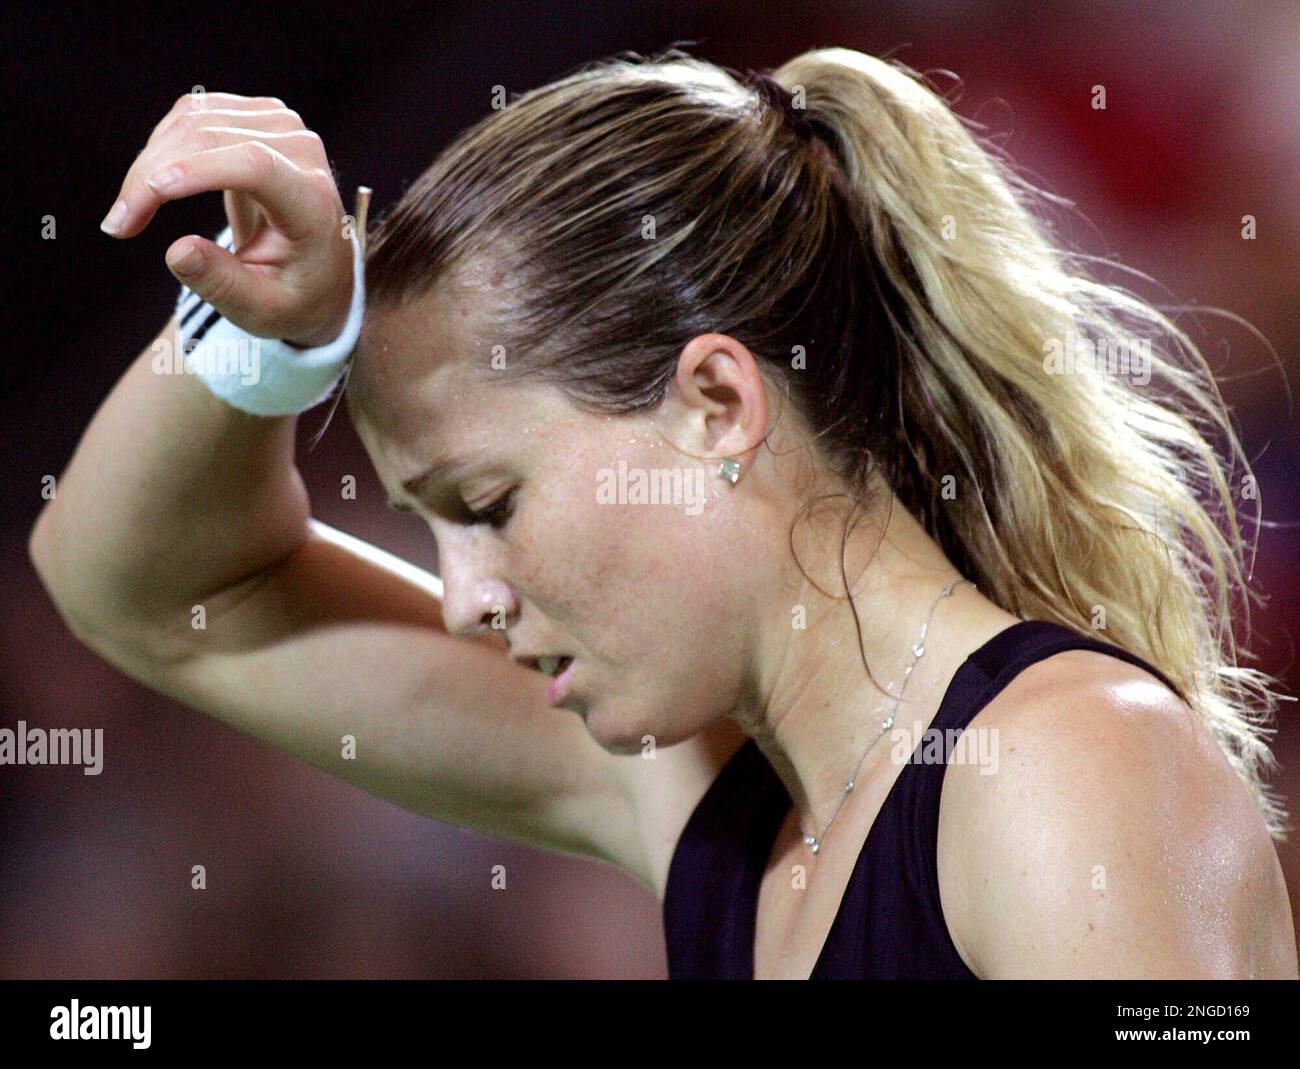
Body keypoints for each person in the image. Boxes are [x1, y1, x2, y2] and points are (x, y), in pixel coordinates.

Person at [30, 46, 1298, 979]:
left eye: (489, 503)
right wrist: (270, 337)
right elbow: (146, 595)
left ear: (712, 403)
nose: (467, 591)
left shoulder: (1070, 766)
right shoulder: (700, 791)